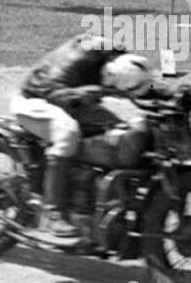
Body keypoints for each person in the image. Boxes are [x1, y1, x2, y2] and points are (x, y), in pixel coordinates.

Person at [9, 35, 162, 243]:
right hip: (36, 99)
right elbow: (51, 94)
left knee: (118, 132)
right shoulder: (73, 63)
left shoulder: (119, 60)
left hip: (71, 99)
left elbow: (138, 88)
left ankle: (95, 198)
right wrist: (81, 93)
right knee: (68, 134)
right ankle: (53, 212)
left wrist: (168, 96)